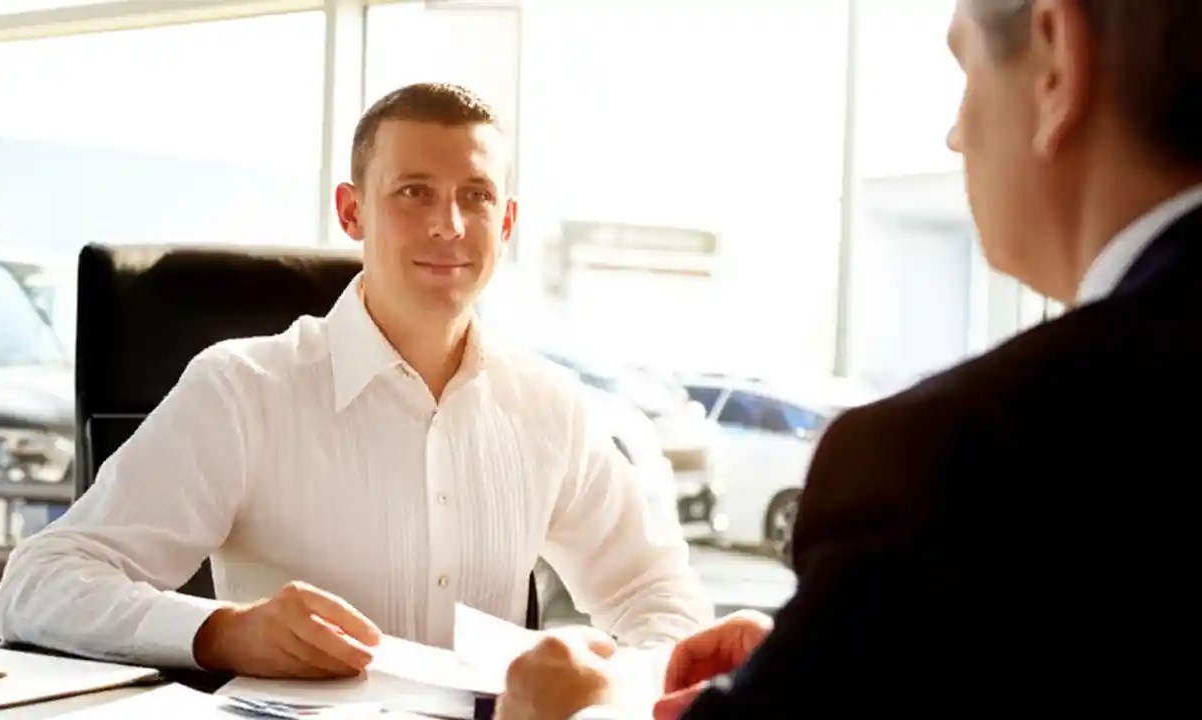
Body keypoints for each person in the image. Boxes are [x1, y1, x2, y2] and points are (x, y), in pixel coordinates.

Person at [496, 0, 1202, 716]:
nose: (955, 135)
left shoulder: (961, 461)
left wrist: (572, 713)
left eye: (964, 69)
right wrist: (826, 657)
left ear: (1054, 61)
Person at [0, 82, 712, 678]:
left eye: (478, 196)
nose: (449, 224)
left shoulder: (551, 408)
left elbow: (661, 601)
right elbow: (37, 583)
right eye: (414, 192)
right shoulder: (243, 391)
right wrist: (221, 631)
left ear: (509, 221)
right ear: (351, 210)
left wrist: (611, 673)